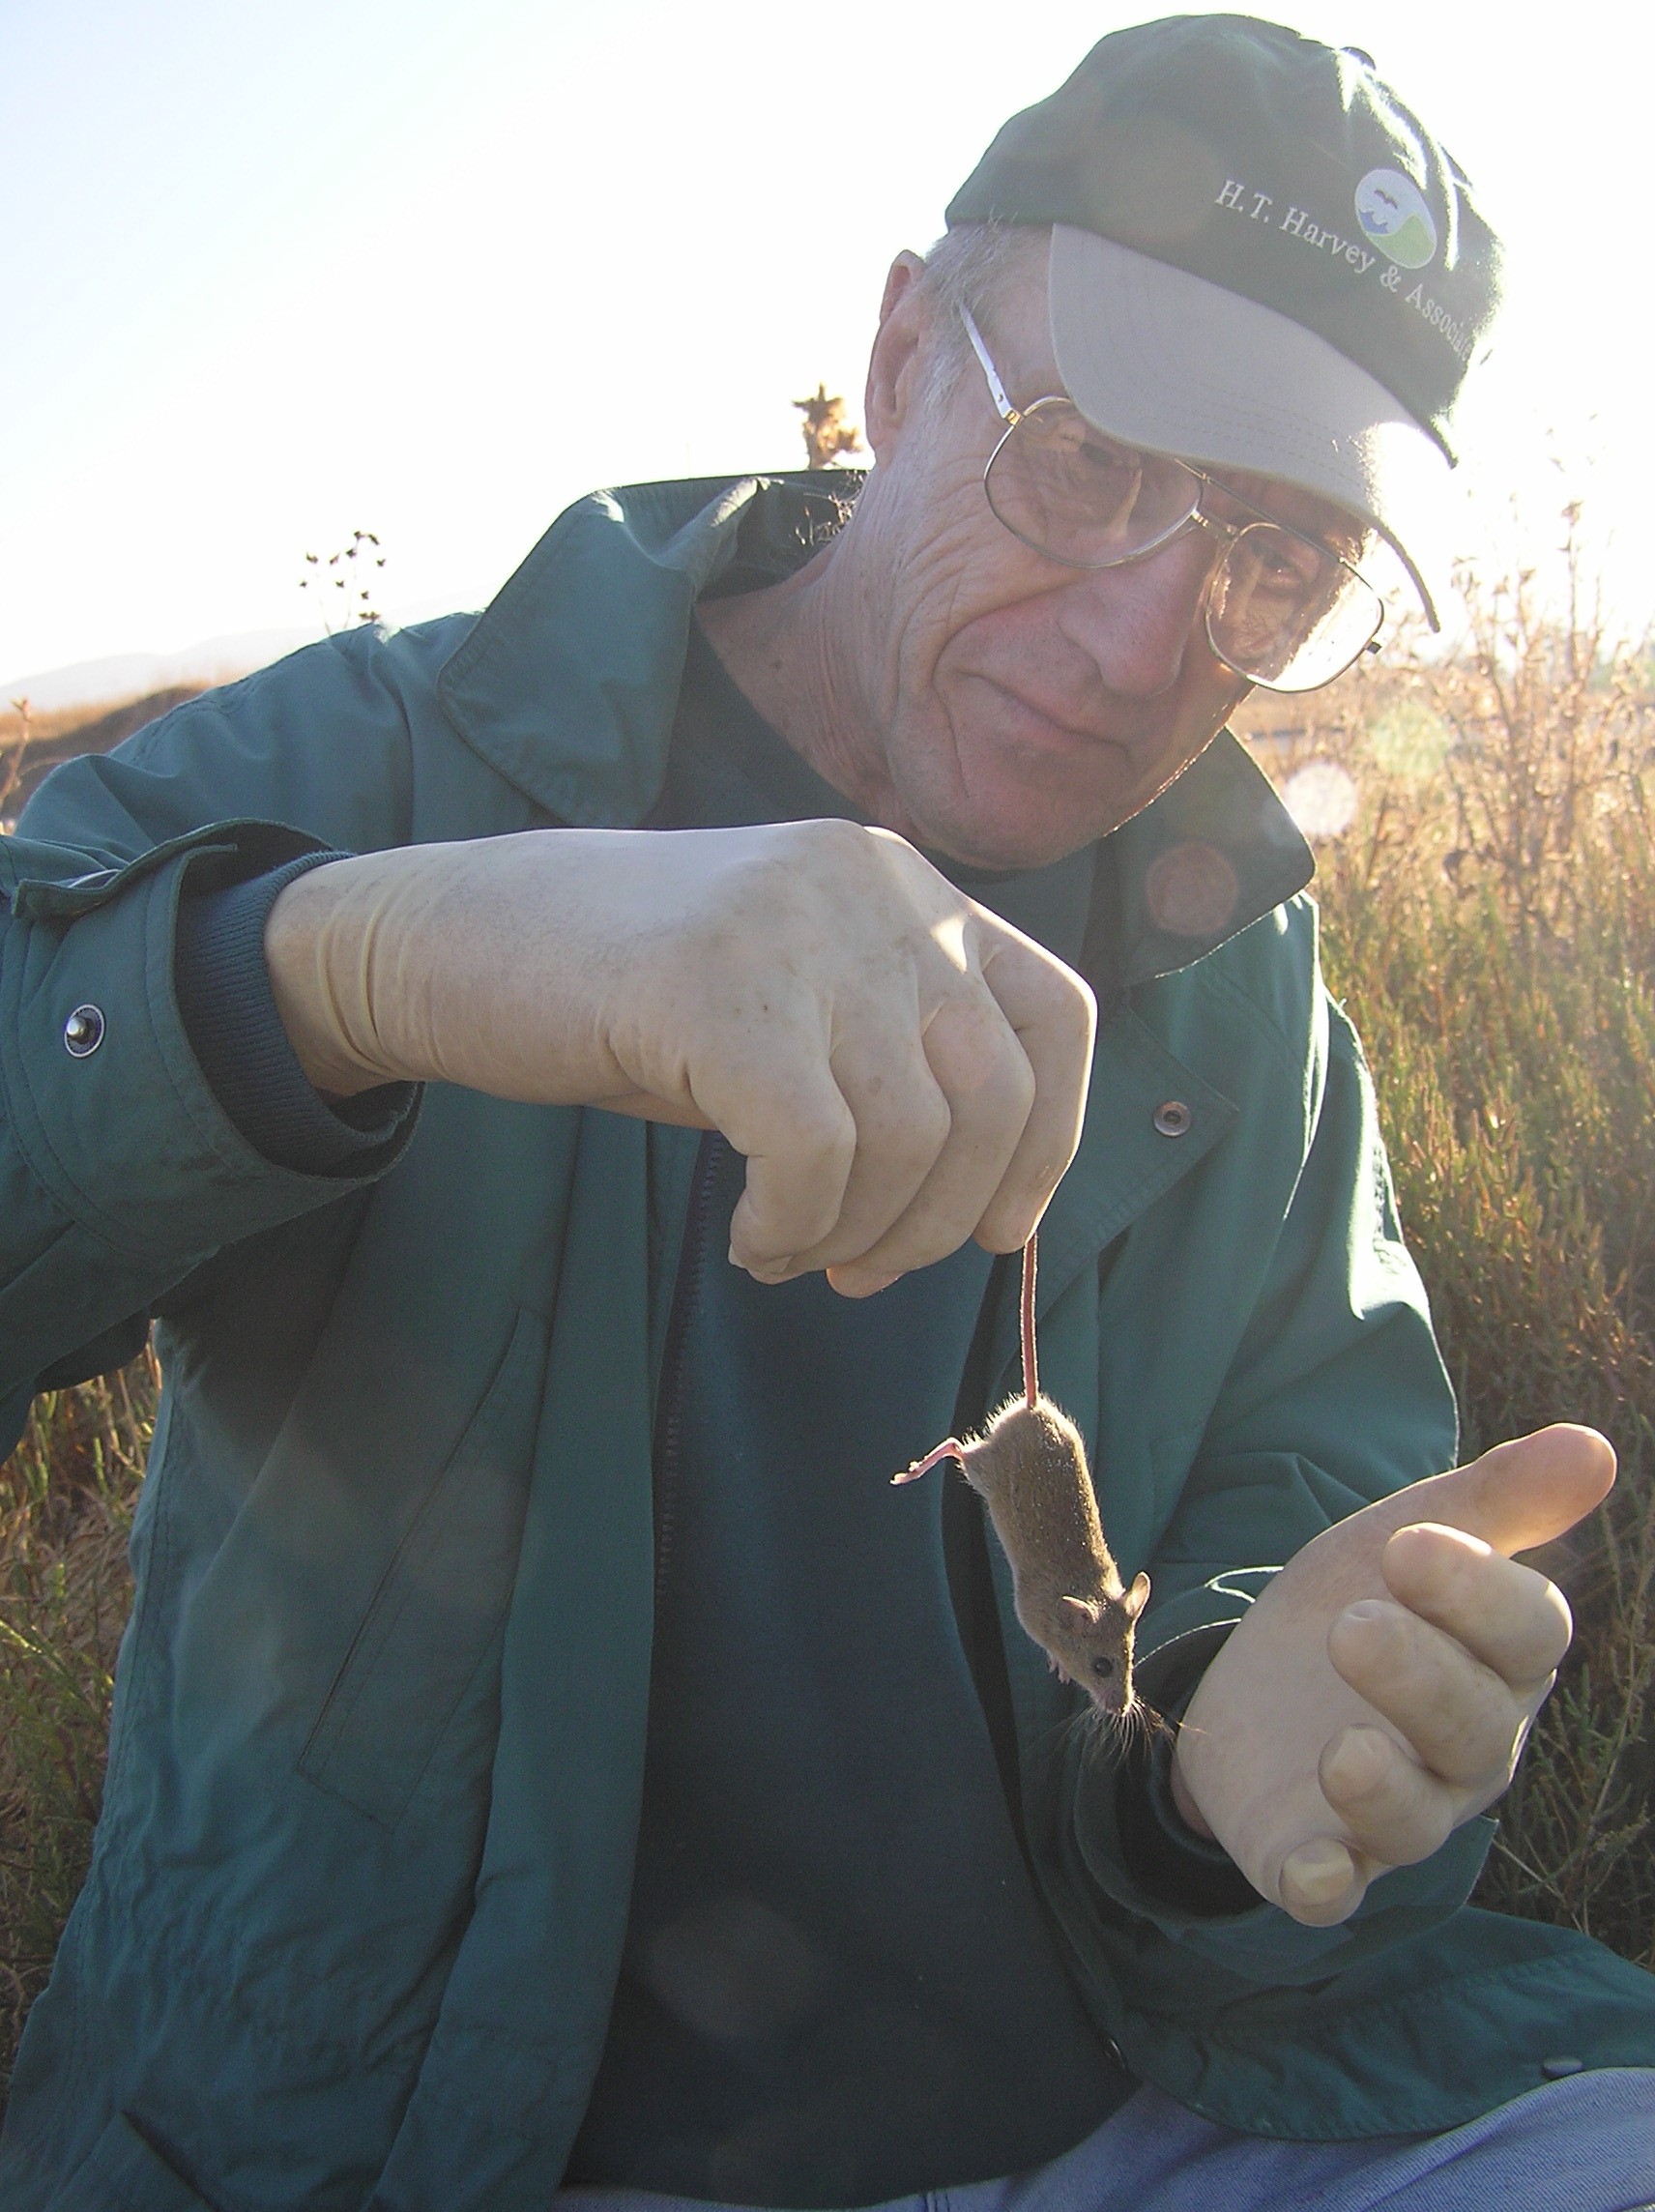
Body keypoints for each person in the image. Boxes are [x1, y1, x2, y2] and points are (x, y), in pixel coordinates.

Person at [1, 15, 1651, 2210]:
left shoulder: (1233, 956)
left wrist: (1228, 1758)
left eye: (1280, 554)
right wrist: (350, 962)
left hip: (1163, 2108)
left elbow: (1303, 1459)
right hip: (430, 2143)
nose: (1151, 629)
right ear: (898, 350)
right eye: (1084, 452)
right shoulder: (388, 765)